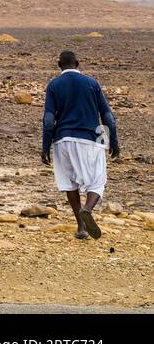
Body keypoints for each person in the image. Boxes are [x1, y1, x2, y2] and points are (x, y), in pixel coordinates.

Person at [41, 50, 119, 240]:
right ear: (77, 62)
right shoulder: (92, 83)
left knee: (70, 184)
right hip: (92, 138)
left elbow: (49, 119)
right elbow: (107, 116)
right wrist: (114, 141)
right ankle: (87, 208)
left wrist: (45, 146)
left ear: (59, 64)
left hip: (63, 140)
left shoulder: (53, 85)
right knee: (98, 181)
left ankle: (81, 227)